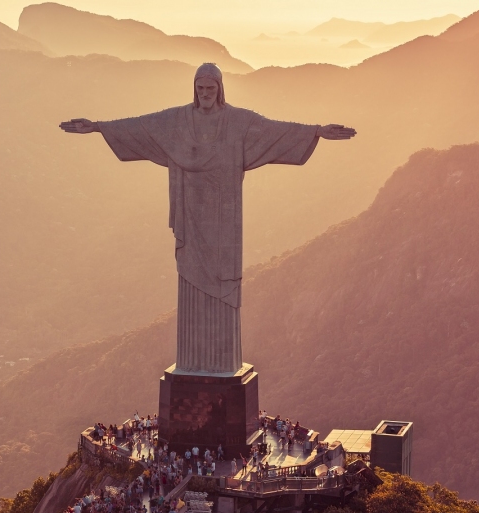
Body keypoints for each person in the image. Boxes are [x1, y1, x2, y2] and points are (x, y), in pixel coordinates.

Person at [60, 63, 355, 375]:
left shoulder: (238, 122)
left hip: (223, 222)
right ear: (194, 89)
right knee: (190, 276)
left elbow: (273, 130)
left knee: (221, 279)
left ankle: (220, 363)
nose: (205, 95)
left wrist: (315, 132)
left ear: (220, 89)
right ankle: (193, 363)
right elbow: (142, 126)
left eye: (210, 89)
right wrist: (98, 127)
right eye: (200, 89)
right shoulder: (176, 120)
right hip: (190, 213)